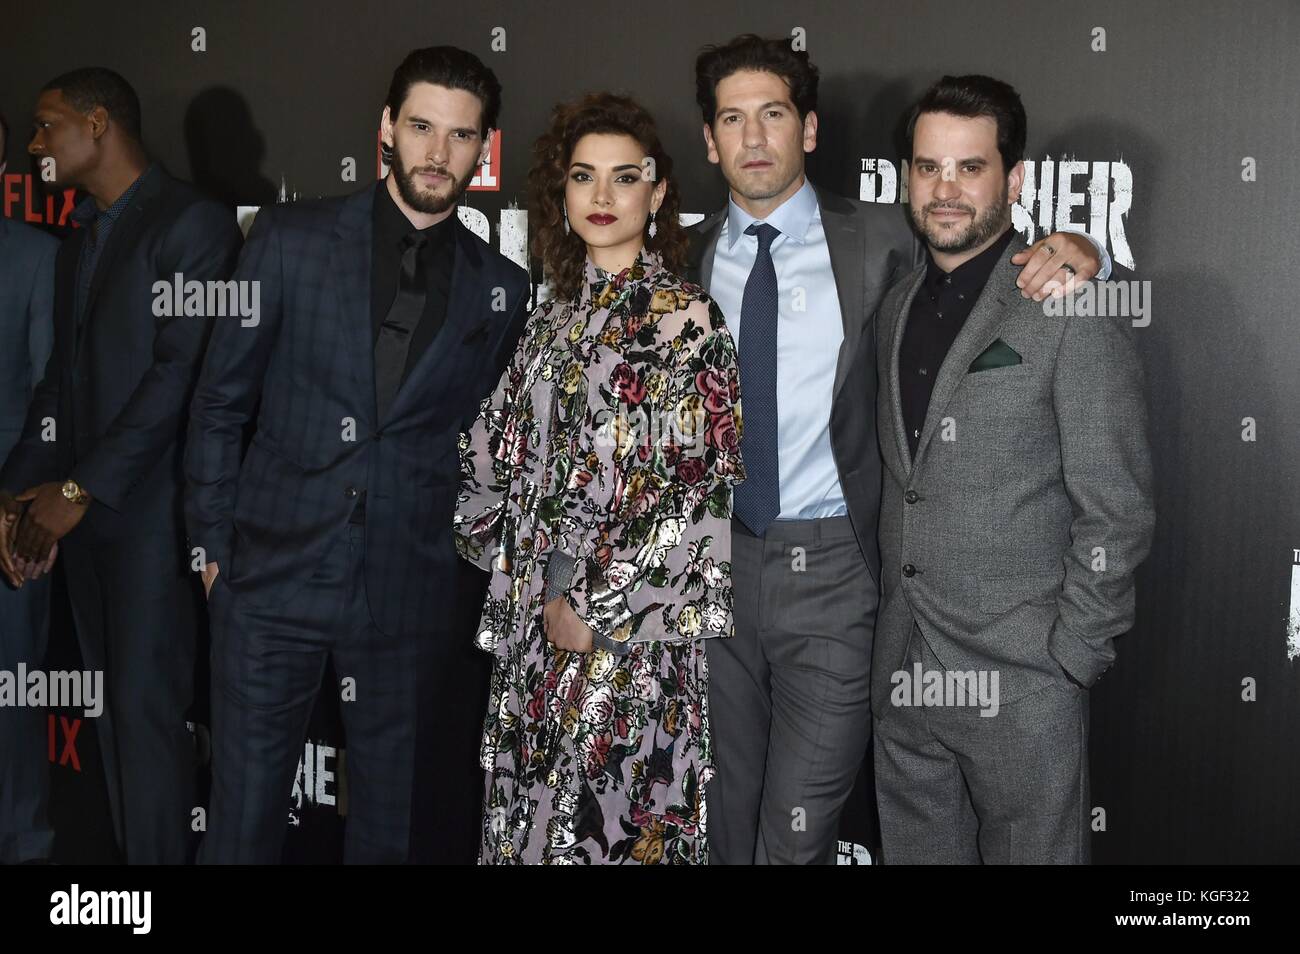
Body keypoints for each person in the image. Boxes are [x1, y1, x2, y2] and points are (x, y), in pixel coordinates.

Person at [685, 33, 1111, 864]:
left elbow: (982, 262)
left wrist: (1078, 248)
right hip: (713, 564)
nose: (754, 138)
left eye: (772, 114)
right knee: (721, 817)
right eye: (731, 119)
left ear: (808, 128)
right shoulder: (682, 257)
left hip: (840, 573)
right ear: (708, 139)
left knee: (797, 830)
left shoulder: (882, 241)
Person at [184, 46, 529, 863]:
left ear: (484, 150)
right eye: (420, 127)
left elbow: (483, 446)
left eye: (459, 135)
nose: (436, 153)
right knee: (240, 824)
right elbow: (218, 402)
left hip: (406, 597)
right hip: (266, 581)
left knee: (388, 829)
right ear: (385, 129)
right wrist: (212, 551)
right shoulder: (289, 239)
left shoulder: (501, 288)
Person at [872, 75, 1155, 864]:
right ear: (906, 179)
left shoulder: (1068, 304)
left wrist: (1072, 656)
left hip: (1024, 678)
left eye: (971, 167)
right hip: (904, 669)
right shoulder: (894, 307)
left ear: (1015, 179)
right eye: (928, 168)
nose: (947, 190)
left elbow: (1118, 504)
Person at [455, 92, 744, 864]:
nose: (604, 197)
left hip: (627, 635)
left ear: (657, 195)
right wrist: (516, 562)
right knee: (528, 828)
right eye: (585, 178)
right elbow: (491, 449)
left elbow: (696, 488)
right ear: (563, 194)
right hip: (532, 627)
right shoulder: (548, 320)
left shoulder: (688, 321)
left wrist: (596, 605)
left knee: (606, 830)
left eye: (626, 178)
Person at [0, 68, 243, 864]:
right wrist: (15, 495)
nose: (34, 146)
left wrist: (76, 488)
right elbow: (57, 389)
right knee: (113, 734)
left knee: (145, 730)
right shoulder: (80, 239)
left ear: (97, 124)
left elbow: (177, 379)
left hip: (155, 534)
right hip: (88, 536)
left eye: (46, 126)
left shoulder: (194, 224)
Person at [0, 105, 60, 864]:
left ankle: (23, 848)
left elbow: (55, 404)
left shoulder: (37, 258)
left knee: (12, 703)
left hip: (10, 518)